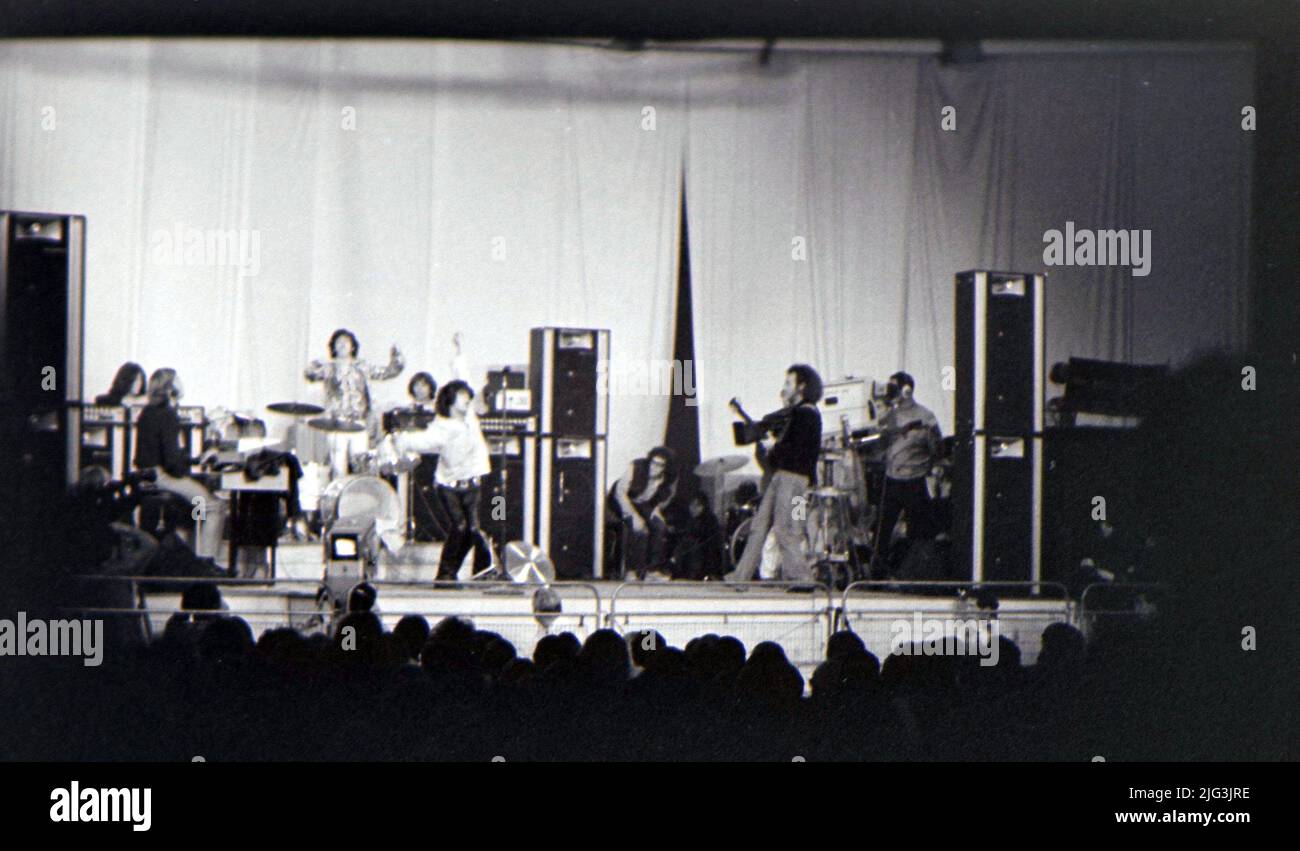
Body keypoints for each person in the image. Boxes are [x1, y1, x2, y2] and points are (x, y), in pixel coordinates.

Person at [396, 335, 493, 583]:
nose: (467, 399)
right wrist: (399, 439)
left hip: (472, 482)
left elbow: (464, 377)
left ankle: (450, 573)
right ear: (451, 401)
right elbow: (420, 441)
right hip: (448, 486)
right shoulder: (441, 428)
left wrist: (459, 353)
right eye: (462, 396)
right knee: (460, 528)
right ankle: (445, 573)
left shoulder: (469, 416)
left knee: (472, 530)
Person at [725, 364, 823, 584]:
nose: (785, 388)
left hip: (791, 480)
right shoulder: (806, 413)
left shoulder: (804, 413)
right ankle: (741, 577)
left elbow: (795, 450)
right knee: (766, 526)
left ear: (802, 387)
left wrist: (773, 446)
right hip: (790, 480)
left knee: (784, 528)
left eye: (789, 383)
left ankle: (801, 578)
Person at [133, 368, 228, 560]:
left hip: (150, 472)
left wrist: (194, 461)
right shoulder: (167, 414)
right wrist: (191, 473)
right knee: (214, 505)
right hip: (162, 476)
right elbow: (171, 462)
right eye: (178, 379)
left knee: (199, 505)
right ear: (171, 387)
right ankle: (206, 561)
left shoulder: (148, 411)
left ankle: (197, 556)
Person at [305, 328, 404, 479]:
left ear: (352, 346)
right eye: (338, 342)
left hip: (359, 421)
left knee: (361, 464)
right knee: (338, 466)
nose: (342, 344)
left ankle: (360, 499)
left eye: (346, 341)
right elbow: (310, 375)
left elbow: (387, 372)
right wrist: (314, 364)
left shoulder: (361, 366)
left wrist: (397, 358)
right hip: (336, 422)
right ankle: (338, 497)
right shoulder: (329, 367)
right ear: (333, 347)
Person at [872, 371, 943, 576]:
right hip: (891, 479)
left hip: (914, 479)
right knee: (881, 530)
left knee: (918, 531)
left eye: (894, 388)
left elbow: (937, 449)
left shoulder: (925, 416)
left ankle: (915, 573)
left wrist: (931, 468)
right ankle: (877, 575)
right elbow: (879, 447)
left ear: (906, 390)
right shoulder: (889, 416)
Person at [606, 447, 679, 579]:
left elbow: (662, 499)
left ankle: (651, 570)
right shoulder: (636, 467)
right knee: (640, 529)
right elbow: (620, 493)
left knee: (659, 526)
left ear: (665, 468)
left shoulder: (668, 479)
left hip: (644, 504)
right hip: (622, 501)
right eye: (653, 463)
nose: (654, 468)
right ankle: (632, 571)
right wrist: (633, 516)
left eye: (660, 465)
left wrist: (656, 511)